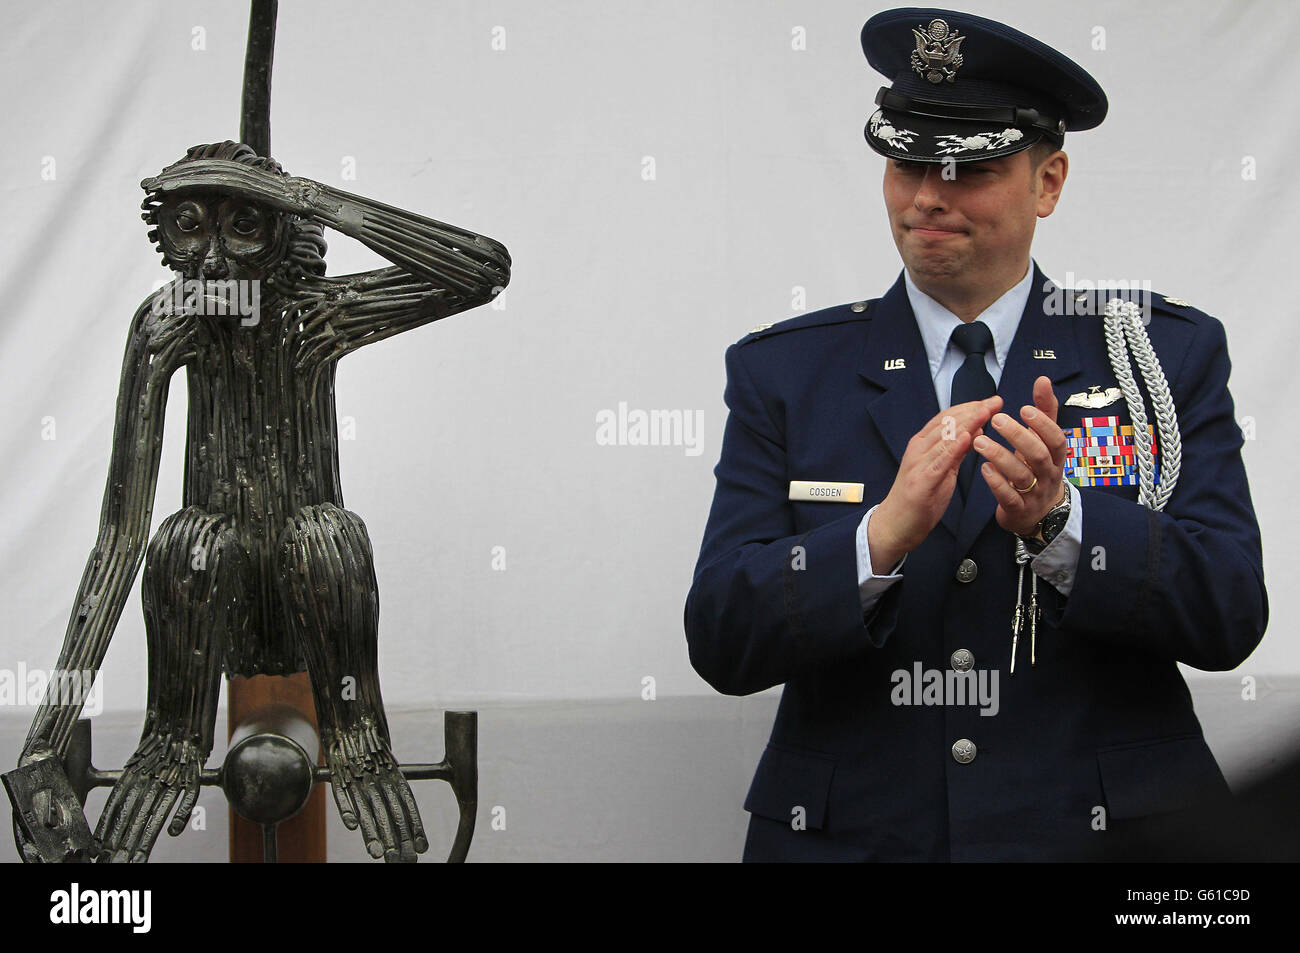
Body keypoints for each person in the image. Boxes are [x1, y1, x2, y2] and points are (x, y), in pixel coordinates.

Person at [684, 8, 1267, 861]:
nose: (928, 194)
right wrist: (877, 539)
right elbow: (721, 641)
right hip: (858, 838)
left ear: (1049, 181)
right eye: (908, 160)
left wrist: (1064, 527)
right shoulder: (787, 371)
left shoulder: (1158, 356)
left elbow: (1229, 614)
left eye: (970, 167)